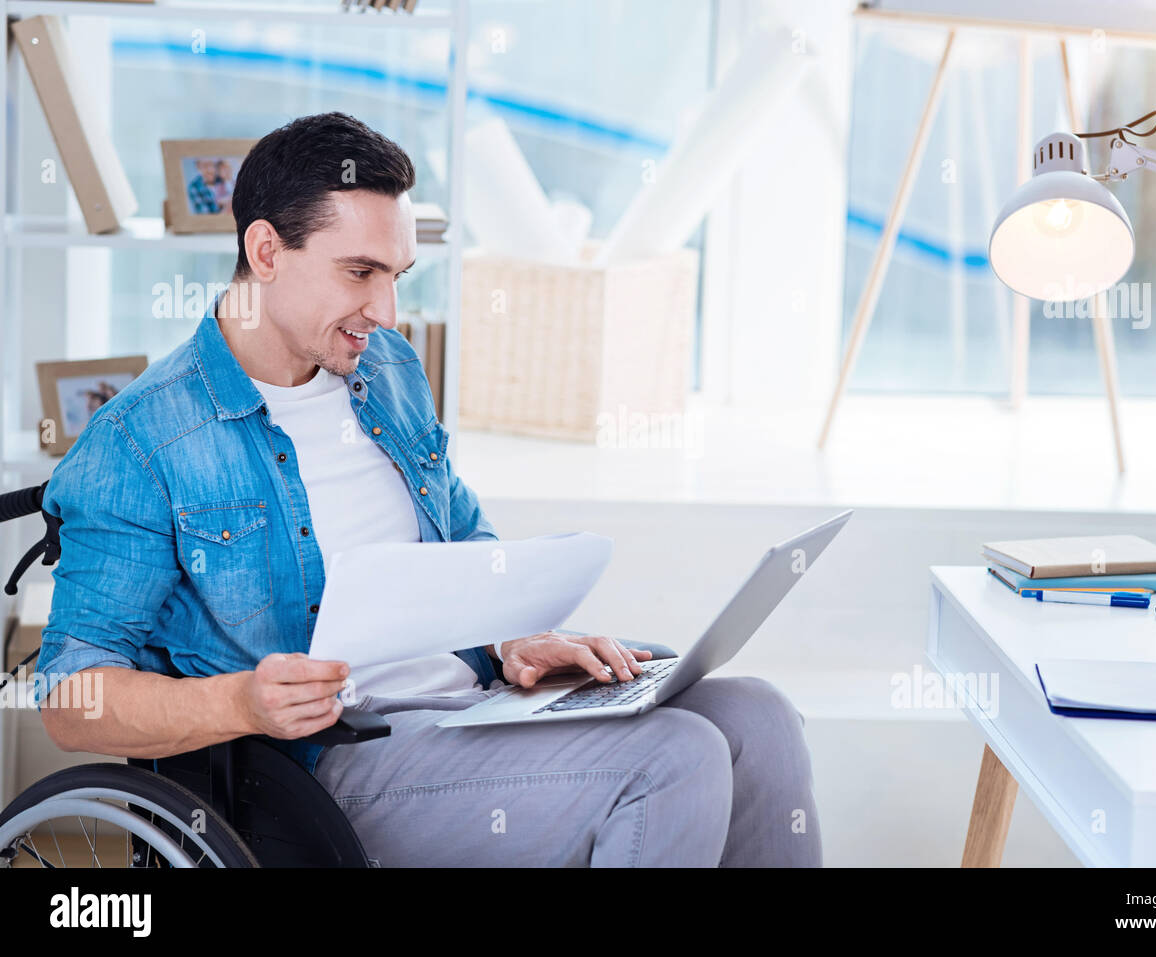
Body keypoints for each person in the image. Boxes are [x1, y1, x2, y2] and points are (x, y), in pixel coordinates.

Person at [34, 112, 821, 867]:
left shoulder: (387, 371)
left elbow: (464, 536)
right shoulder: (142, 439)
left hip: (471, 706)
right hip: (331, 769)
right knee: (675, 757)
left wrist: (513, 638)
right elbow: (71, 696)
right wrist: (242, 702)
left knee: (758, 716)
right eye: (360, 272)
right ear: (266, 251)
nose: (385, 311)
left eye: (398, 275)